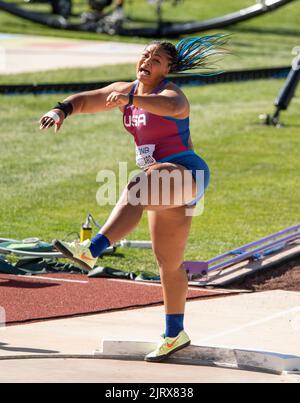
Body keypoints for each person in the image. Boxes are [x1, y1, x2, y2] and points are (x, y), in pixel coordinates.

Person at [39, 35, 228, 362]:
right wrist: (62, 110)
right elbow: (88, 99)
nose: (147, 62)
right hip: (164, 180)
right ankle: (174, 334)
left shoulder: (171, 94)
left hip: (186, 172)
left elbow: (171, 108)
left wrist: (132, 102)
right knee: (169, 263)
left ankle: (91, 249)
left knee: (138, 185)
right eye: (145, 56)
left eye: (156, 60)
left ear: (168, 68)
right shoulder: (124, 90)